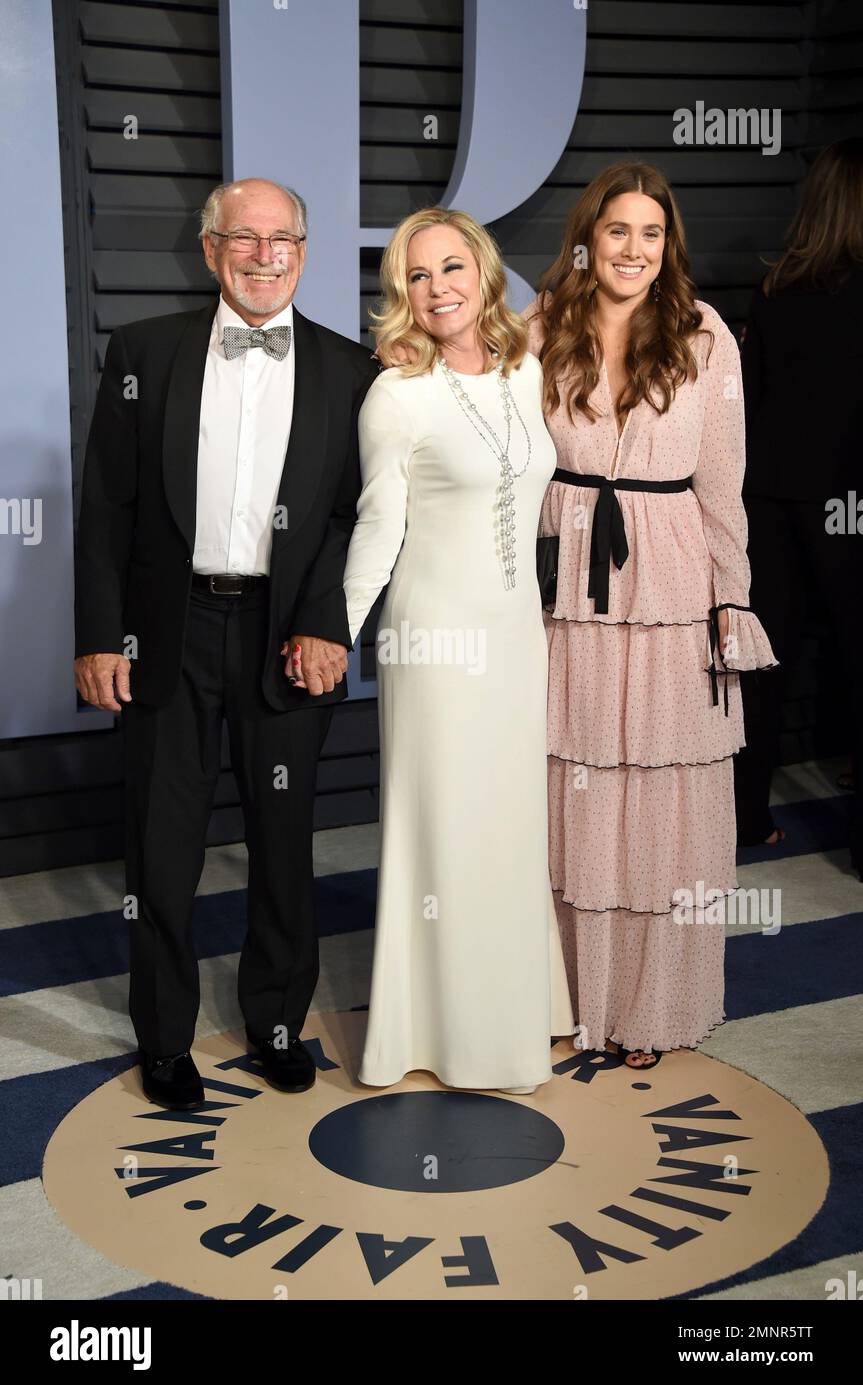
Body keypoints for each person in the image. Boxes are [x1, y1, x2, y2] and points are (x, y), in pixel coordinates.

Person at [74, 178, 379, 1108]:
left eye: (280, 238)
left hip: (287, 636)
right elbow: (105, 511)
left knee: (283, 840)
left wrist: (328, 621)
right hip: (168, 630)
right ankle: (163, 1039)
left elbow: (348, 518)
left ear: (302, 251)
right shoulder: (143, 353)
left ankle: (278, 1022)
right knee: (163, 846)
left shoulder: (348, 369)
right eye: (241, 239)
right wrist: (99, 637)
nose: (261, 255)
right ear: (210, 252)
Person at [525, 161, 777, 1069]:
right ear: (587, 239)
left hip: (670, 588)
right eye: (618, 230)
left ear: (668, 245)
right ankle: (565, 1002)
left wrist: (730, 601)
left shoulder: (707, 338)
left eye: (651, 233)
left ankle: (651, 1008)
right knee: (572, 791)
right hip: (565, 595)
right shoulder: (535, 329)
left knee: (666, 802)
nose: (634, 249)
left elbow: (723, 487)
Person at [343, 207, 574, 1091]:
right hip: (433, 641)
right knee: (445, 829)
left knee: (507, 827)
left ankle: (521, 1011)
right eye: (415, 275)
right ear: (400, 293)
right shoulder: (395, 395)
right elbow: (377, 525)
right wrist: (340, 631)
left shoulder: (525, 369)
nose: (436, 288)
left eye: (451, 268)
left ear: (483, 272)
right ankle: (444, 1035)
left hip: (517, 634)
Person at [733, 138, 863, 874]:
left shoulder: (775, 290)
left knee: (760, 667)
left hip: (770, 502)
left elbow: (752, 403)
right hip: (846, 503)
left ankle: (746, 820)